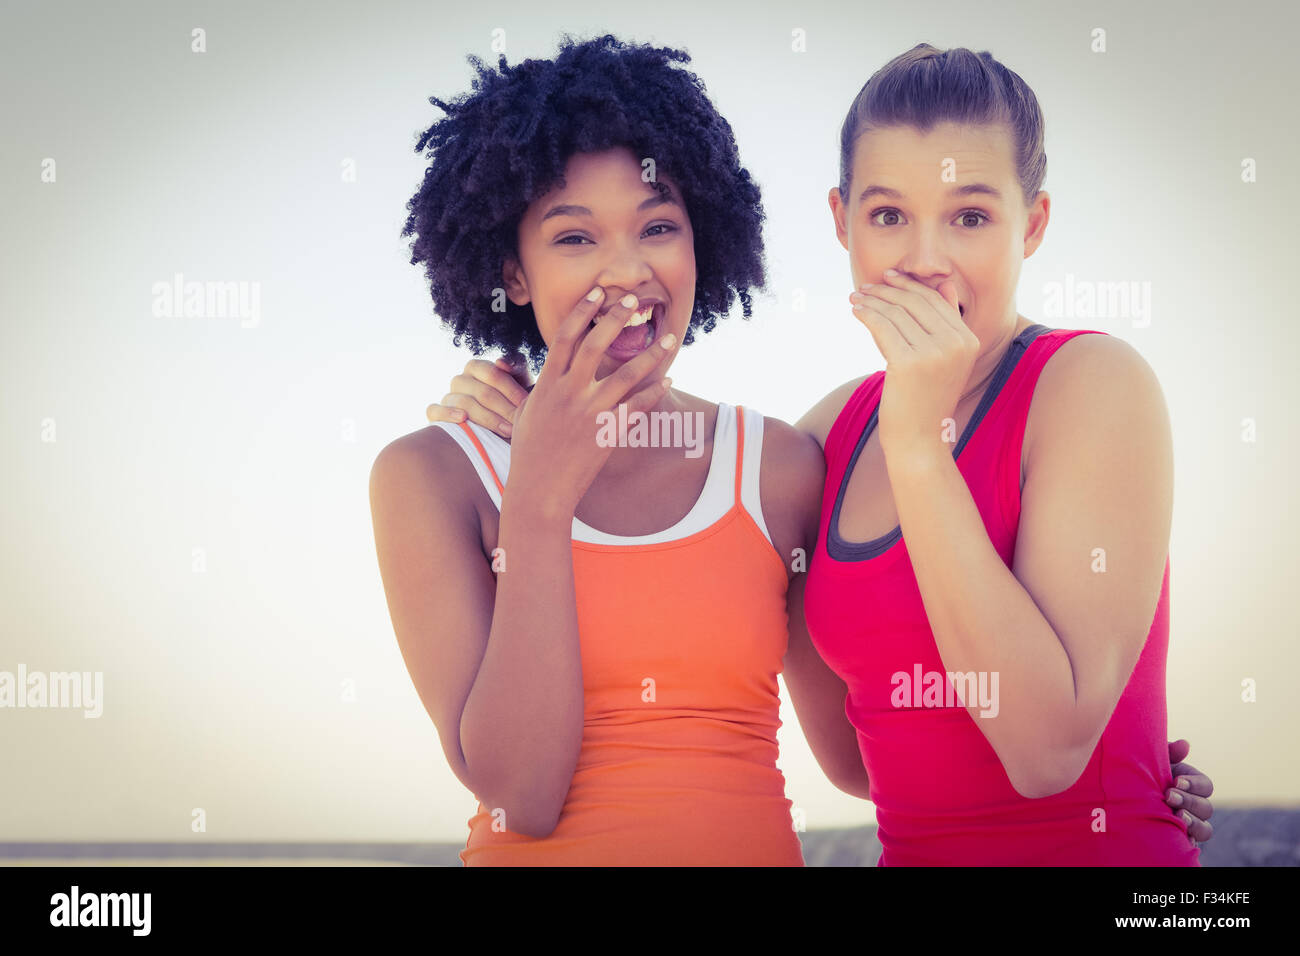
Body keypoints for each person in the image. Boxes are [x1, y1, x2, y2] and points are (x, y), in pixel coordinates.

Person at [422, 42, 1217, 864]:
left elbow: (1048, 755)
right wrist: (503, 420)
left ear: (1034, 225)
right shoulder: (829, 436)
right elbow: (856, 760)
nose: (924, 259)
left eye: (971, 217)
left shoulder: (1091, 384)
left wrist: (918, 444)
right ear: (841, 222)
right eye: (888, 217)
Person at [371, 34, 823, 865]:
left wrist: (1131, 772)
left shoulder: (781, 468)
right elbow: (523, 794)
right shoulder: (433, 477)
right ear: (513, 273)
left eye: (658, 226)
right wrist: (538, 497)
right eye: (575, 238)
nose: (626, 271)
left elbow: (861, 761)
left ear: (702, 243)